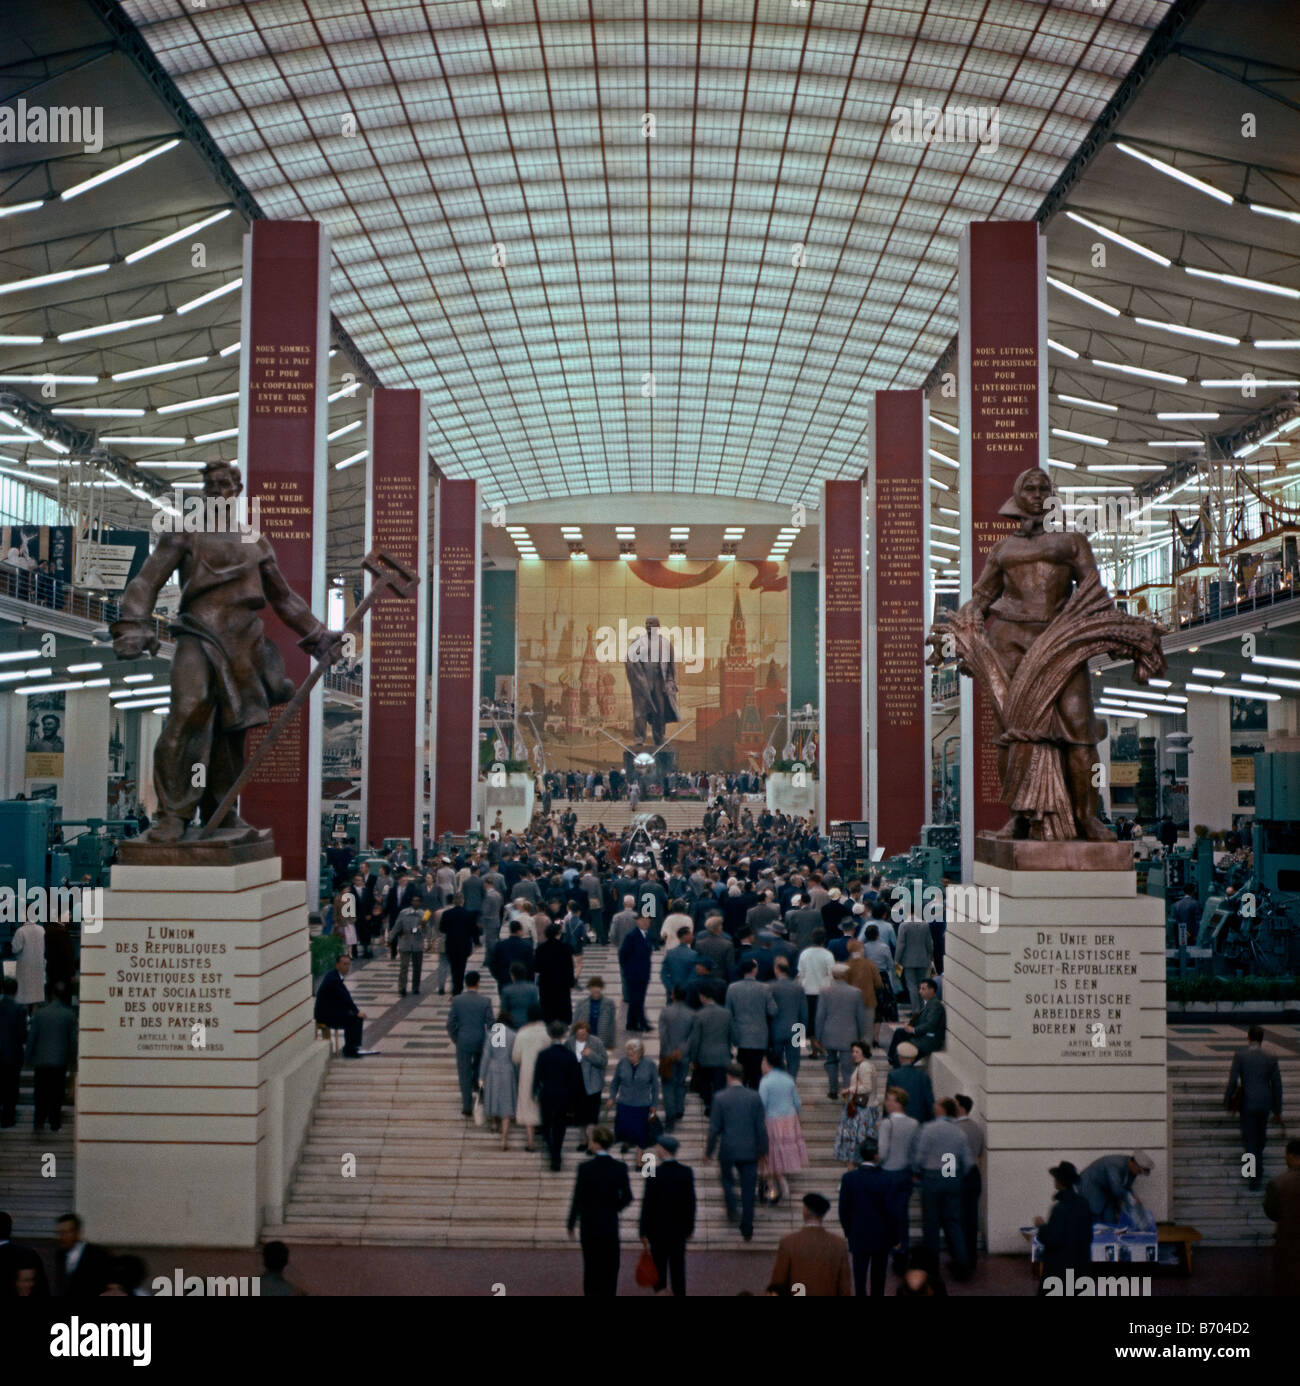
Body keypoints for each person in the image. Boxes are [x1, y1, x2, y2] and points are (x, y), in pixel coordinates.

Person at [567, 1125, 633, 1296]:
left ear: (596, 1144)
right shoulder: (619, 1167)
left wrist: (571, 1222)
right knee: (610, 1267)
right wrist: (614, 1207)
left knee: (590, 1267)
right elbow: (627, 1196)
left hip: (589, 1224)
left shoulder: (585, 1168)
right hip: (609, 1223)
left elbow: (578, 1197)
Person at [707, 1063, 768, 1241]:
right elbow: (761, 1128)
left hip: (728, 1148)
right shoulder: (755, 1097)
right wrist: (763, 1150)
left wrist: (709, 1151)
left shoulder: (720, 1097)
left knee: (726, 1179)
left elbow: (714, 1128)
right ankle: (747, 1227)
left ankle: (732, 1206)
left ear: (728, 1076)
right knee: (749, 1190)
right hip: (750, 1149)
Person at [911, 1097, 971, 1279]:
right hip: (951, 1174)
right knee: (953, 1222)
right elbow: (967, 1161)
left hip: (932, 1176)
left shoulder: (929, 1129)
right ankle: (962, 1263)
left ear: (942, 1109)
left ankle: (932, 1267)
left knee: (931, 1224)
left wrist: (915, 1170)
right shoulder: (958, 1132)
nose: (933, 1106)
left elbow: (920, 1154)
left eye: (936, 1104)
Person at [1224, 1025, 1284, 1188]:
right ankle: (1257, 1168)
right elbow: (1277, 1084)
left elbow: (1232, 1081)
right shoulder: (1270, 1057)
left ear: (1249, 1038)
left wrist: (1227, 1101)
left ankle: (1251, 1175)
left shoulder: (1240, 1055)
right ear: (1262, 1039)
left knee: (1249, 1139)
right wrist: (1277, 1109)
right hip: (1265, 1102)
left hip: (1247, 1103)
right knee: (1260, 1137)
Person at [838, 1138, 899, 1297]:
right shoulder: (887, 1178)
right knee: (879, 1277)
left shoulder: (849, 1178)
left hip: (858, 1234)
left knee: (859, 1277)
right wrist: (895, 1237)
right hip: (881, 1236)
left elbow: (843, 1209)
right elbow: (892, 1211)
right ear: (876, 1156)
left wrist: (848, 1231)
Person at [638, 1134, 696, 1295]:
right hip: (678, 1230)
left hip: (657, 1231)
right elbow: (690, 1202)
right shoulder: (686, 1172)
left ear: (663, 1150)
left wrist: (642, 1230)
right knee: (678, 1269)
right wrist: (690, 1226)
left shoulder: (653, 1173)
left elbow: (647, 1204)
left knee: (659, 1269)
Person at [769, 1192, 851, 1296]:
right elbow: (844, 1287)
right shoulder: (839, 1244)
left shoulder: (788, 1242)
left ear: (805, 1211)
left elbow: (778, 1283)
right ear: (823, 1214)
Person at [1033, 1160, 1092, 1292]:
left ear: (1058, 1182)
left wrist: (1042, 1226)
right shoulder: (1084, 1204)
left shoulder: (1060, 1208)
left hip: (1059, 1269)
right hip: (1079, 1267)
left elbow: (1052, 1238)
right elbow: (1088, 1236)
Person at [533, 1021, 585, 1172]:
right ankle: (557, 1152)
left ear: (550, 1034)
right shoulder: (569, 1056)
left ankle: (553, 1153)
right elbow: (575, 1079)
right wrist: (574, 1100)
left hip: (547, 1094)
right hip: (564, 1095)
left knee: (546, 1125)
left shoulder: (543, 1055)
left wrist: (534, 1092)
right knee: (560, 1126)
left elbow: (538, 1076)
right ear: (563, 1034)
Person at [25, 984, 77, 1131]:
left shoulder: (40, 1014)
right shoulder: (69, 1015)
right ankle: (55, 1122)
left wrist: (28, 1057)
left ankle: (39, 1121)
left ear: (51, 995)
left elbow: (32, 1038)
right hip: (59, 1061)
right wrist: (72, 1063)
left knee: (40, 1092)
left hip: (41, 1061)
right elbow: (72, 1042)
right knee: (57, 1092)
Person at [758, 1050, 807, 1203]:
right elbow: (797, 1102)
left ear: (768, 1063)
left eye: (763, 1062)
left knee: (771, 1153)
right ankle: (780, 1181)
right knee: (781, 1152)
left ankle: (774, 1184)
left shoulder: (765, 1082)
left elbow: (761, 1104)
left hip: (772, 1120)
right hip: (789, 1119)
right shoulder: (788, 1079)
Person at [815, 964, 868, 1099]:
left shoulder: (825, 991)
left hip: (829, 1032)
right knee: (847, 1067)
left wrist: (818, 1036)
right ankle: (846, 1092)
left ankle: (832, 1090)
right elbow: (860, 1016)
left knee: (830, 1062)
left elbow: (820, 1015)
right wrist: (862, 1034)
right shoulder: (855, 992)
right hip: (849, 1034)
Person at [447, 971, 494, 1117]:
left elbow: (450, 1023)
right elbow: (491, 1024)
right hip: (481, 1040)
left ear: (465, 983)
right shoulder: (486, 1001)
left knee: (464, 1073)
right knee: (481, 1070)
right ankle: (481, 1099)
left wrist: (456, 1038)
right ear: (478, 983)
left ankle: (466, 1105)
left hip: (463, 1040)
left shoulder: (457, 1000)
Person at [727, 957, 777, 1088]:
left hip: (741, 1034)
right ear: (755, 970)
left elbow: (728, 1012)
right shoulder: (765, 988)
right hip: (759, 1035)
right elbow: (772, 1011)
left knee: (742, 1068)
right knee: (757, 1071)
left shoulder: (732, 988)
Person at [609, 1037, 659, 1158]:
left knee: (641, 1132)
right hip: (624, 1103)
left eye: (632, 1055)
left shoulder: (650, 1065)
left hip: (641, 1105)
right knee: (625, 1128)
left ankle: (639, 1158)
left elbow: (655, 1087)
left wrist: (654, 1104)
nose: (629, 1058)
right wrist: (612, 1097)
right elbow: (615, 1082)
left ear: (640, 1053)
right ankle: (626, 1143)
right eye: (628, 1055)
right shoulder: (622, 1062)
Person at [314, 951, 369, 1058]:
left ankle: (351, 1047)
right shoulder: (333, 979)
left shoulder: (334, 976)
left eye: (348, 964)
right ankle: (350, 1049)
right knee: (355, 1019)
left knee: (352, 1017)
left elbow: (343, 997)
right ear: (337, 965)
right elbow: (345, 997)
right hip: (325, 1016)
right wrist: (356, 1011)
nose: (347, 967)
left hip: (329, 1012)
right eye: (344, 964)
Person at [1263, 1138, 1300, 1297]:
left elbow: (1272, 1212)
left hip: (1289, 1240)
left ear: (1291, 1156)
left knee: (1288, 1281)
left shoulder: (1278, 1183)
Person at [833, 1039, 878, 1167]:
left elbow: (867, 1087)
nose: (853, 1054)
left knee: (854, 1145)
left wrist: (849, 1089)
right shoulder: (864, 1066)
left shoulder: (864, 1066)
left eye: (857, 1051)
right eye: (853, 1051)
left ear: (864, 1052)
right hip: (864, 1109)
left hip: (862, 1111)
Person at [1077, 1150, 1154, 1223]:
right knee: (1096, 1213)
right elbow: (1116, 1189)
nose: (1139, 1173)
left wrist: (1134, 1197)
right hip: (1090, 1186)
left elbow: (1126, 1186)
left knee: (1110, 1217)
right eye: (1139, 1171)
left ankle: (1109, 1234)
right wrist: (1131, 1198)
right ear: (1133, 1163)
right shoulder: (1115, 1165)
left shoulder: (1132, 1170)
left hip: (1105, 1190)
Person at [689, 988, 732, 1117]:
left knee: (705, 1082)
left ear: (703, 997)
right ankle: (719, 1107)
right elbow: (731, 1035)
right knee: (720, 1083)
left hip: (705, 1056)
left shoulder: (699, 1014)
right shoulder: (727, 1013)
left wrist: (693, 1058)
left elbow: (695, 1039)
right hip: (722, 1055)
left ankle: (709, 1105)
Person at [511, 1006, 549, 1152]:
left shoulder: (522, 1033)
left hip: (527, 1072)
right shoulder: (547, 1033)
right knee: (543, 1104)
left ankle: (530, 1142)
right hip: (545, 1073)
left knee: (527, 1105)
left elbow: (516, 1057)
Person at [480, 1011, 518, 1150]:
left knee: (493, 1095)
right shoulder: (513, 1035)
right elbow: (515, 1056)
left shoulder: (491, 1034)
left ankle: (493, 1122)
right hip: (507, 1069)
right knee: (506, 1102)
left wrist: (481, 1075)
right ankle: (504, 1137)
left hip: (492, 1069)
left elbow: (485, 1056)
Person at [658, 986, 695, 1131]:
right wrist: (682, 1050)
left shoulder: (666, 1012)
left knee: (668, 1086)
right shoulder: (692, 1014)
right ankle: (679, 1108)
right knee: (680, 1083)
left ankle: (670, 1117)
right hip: (684, 1055)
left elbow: (663, 1034)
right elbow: (692, 1036)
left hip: (667, 1056)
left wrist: (670, 1052)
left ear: (673, 995)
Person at [888, 977, 946, 1066]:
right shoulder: (928, 1003)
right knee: (900, 1032)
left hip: (928, 1039)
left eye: (923, 989)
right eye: (920, 988)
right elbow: (922, 1020)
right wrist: (910, 1025)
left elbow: (930, 1025)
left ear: (932, 990)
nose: (920, 991)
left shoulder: (935, 1005)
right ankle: (892, 1057)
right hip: (921, 1034)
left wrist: (913, 1030)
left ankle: (896, 1061)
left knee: (901, 1058)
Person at [954, 1094, 984, 1267]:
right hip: (974, 1175)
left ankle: (961, 1257)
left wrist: (947, 1177)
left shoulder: (955, 1129)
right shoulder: (976, 1127)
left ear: (961, 1108)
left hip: (959, 1176)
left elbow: (949, 1155)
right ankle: (971, 1256)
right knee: (971, 1218)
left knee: (957, 1219)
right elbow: (978, 1152)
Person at [54, 1213, 111, 1298]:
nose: (62, 1237)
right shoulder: (60, 1255)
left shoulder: (97, 1255)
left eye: (67, 1232)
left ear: (77, 1232)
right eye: (60, 1233)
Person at [568, 1020, 607, 1143]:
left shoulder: (596, 1042)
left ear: (587, 1033)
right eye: (579, 1035)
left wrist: (590, 1055)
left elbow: (603, 1062)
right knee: (579, 1115)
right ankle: (583, 1140)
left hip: (593, 1084)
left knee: (591, 1116)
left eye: (584, 1034)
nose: (581, 1037)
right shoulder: (569, 1043)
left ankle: (592, 1142)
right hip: (577, 1082)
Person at [768, 957, 807, 1079]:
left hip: (776, 1028)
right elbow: (804, 1012)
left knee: (776, 1058)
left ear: (776, 969)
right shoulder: (798, 987)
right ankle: (791, 1082)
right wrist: (802, 1034)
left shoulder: (770, 986)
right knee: (794, 1060)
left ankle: (778, 1082)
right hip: (796, 1028)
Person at [439, 893, 481, 996]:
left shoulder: (447, 913)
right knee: (461, 967)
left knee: (453, 968)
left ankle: (455, 988)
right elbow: (474, 930)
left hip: (451, 945)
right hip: (464, 945)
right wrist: (476, 942)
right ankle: (459, 988)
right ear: (463, 901)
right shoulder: (469, 914)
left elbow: (442, 929)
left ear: (453, 901)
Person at [535, 922, 576, 1024]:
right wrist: (571, 983)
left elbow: (536, 967)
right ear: (558, 934)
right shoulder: (565, 948)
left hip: (546, 983)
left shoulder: (541, 949)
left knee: (547, 1008)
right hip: (562, 983)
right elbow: (569, 968)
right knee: (562, 1008)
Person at [619, 912, 654, 1033]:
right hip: (633, 974)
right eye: (642, 920)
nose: (645, 922)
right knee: (637, 999)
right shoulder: (631, 936)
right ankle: (643, 1023)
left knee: (637, 999)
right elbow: (623, 954)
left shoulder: (647, 935)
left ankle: (631, 1023)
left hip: (643, 973)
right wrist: (627, 969)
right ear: (637, 921)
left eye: (647, 920)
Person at [894, 910, 933, 1013]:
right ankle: (922, 1008)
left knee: (912, 986)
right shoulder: (925, 925)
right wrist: (929, 954)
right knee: (922, 985)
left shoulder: (903, 925)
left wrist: (897, 960)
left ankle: (915, 1010)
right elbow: (929, 943)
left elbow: (901, 945)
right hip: (922, 959)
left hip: (908, 960)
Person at [390, 887, 427, 997]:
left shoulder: (424, 914)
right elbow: (397, 926)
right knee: (404, 967)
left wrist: (423, 928)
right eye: (414, 900)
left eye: (418, 901)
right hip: (405, 943)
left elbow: (426, 931)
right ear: (411, 902)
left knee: (417, 967)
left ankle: (415, 987)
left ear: (420, 902)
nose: (415, 902)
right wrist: (391, 938)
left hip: (417, 944)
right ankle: (402, 988)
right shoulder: (404, 913)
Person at [0, 978, 26, 1127]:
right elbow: (22, 1035)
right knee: (11, 1088)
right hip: (13, 1056)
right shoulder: (20, 1009)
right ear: (16, 991)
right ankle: (8, 1119)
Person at [888, 1042, 934, 1126]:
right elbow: (929, 1101)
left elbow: (890, 1100)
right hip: (920, 1120)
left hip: (900, 1120)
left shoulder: (893, 1075)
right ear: (913, 1059)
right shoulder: (923, 1076)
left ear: (899, 1058)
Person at [573, 975, 617, 1049]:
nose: (596, 989)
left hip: (601, 1039)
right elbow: (575, 1022)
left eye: (598, 987)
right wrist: (572, 1040)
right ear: (589, 988)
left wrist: (611, 1042)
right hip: (584, 1039)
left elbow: (612, 1024)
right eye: (593, 987)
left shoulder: (609, 1003)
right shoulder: (581, 1003)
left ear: (601, 988)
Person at [11, 916, 45, 1011]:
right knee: (36, 997)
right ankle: (34, 1018)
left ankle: (26, 1020)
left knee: (24, 997)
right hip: (38, 968)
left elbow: (15, 949)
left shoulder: (21, 931)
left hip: (25, 969)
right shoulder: (42, 930)